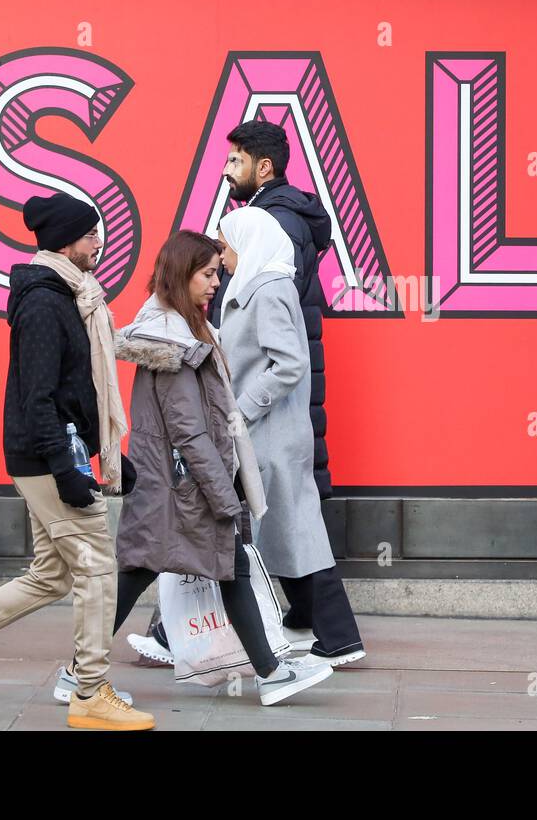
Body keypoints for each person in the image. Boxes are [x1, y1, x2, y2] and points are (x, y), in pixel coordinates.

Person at [0, 192, 153, 731]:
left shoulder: (71, 296)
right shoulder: (46, 302)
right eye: (92, 235)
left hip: (55, 452)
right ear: (68, 239)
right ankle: (89, 690)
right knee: (96, 567)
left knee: (52, 575)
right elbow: (38, 396)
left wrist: (105, 452)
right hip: (45, 457)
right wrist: (67, 468)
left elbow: (74, 393)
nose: (98, 244)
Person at [110, 230, 333, 705]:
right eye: (207, 273)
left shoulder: (188, 329)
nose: (217, 281)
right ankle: (77, 670)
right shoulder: (171, 340)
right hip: (182, 487)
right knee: (140, 572)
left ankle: (270, 673)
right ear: (181, 274)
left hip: (181, 487)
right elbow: (189, 433)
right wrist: (225, 496)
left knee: (220, 569)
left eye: (218, 272)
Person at [217, 208, 365, 667]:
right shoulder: (258, 285)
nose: (221, 258)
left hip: (270, 434)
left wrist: (242, 407)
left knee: (289, 533)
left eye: (225, 246)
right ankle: (324, 632)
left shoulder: (269, 289)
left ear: (248, 241)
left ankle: (336, 637)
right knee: (287, 534)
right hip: (266, 434)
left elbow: (290, 363)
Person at [207, 121, 335, 504]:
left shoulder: (274, 223)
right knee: (279, 503)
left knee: (277, 501)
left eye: (235, 161)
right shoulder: (269, 217)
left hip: (264, 387)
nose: (226, 170)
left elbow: (272, 306)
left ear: (263, 168)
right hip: (266, 388)